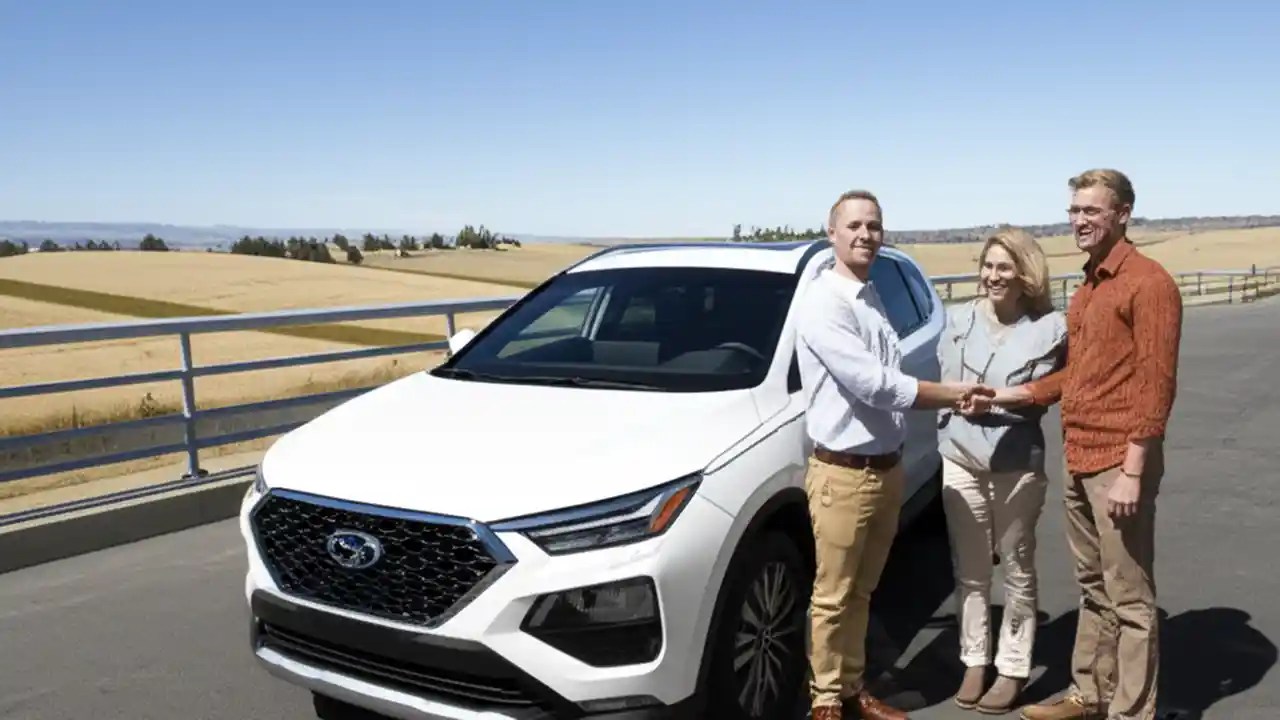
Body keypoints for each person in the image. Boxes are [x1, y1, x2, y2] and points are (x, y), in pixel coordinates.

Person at [967, 169, 1182, 720]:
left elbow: (1156, 386)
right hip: (1080, 457)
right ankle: (1091, 693)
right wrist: (1013, 394)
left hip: (1118, 461)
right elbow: (1078, 375)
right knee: (1093, 586)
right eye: (1074, 210)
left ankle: (1131, 711)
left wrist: (1134, 469)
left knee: (1130, 597)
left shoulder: (1149, 283)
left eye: (1092, 210)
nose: (1079, 220)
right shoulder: (1088, 288)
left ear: (1123, 214)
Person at [794, 189, 994, 720]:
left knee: (862, 591)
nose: (865, 235)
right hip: (843, 473)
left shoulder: (870, 292)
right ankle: (824, 701)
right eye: (855, 225)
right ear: (832, 232)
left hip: (885, 468)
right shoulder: (823, 302)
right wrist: (950, 394)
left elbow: (887, 372)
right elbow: (874, 385)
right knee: (833, 595)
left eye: (874, 226)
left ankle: (852, 687)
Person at [936, 227, 1067, 713]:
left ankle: (1013, 666)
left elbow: (1059, 386)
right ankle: (974, 659)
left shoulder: (1052, 329)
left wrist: (1006, 401)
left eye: (1004, 267)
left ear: (1025, 274)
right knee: (970, 570)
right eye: (988, 266)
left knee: (1016, 568)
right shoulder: (956, 320)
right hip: (960, 459)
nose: (993, 276)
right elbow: (943, 384)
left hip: (1016, 464)